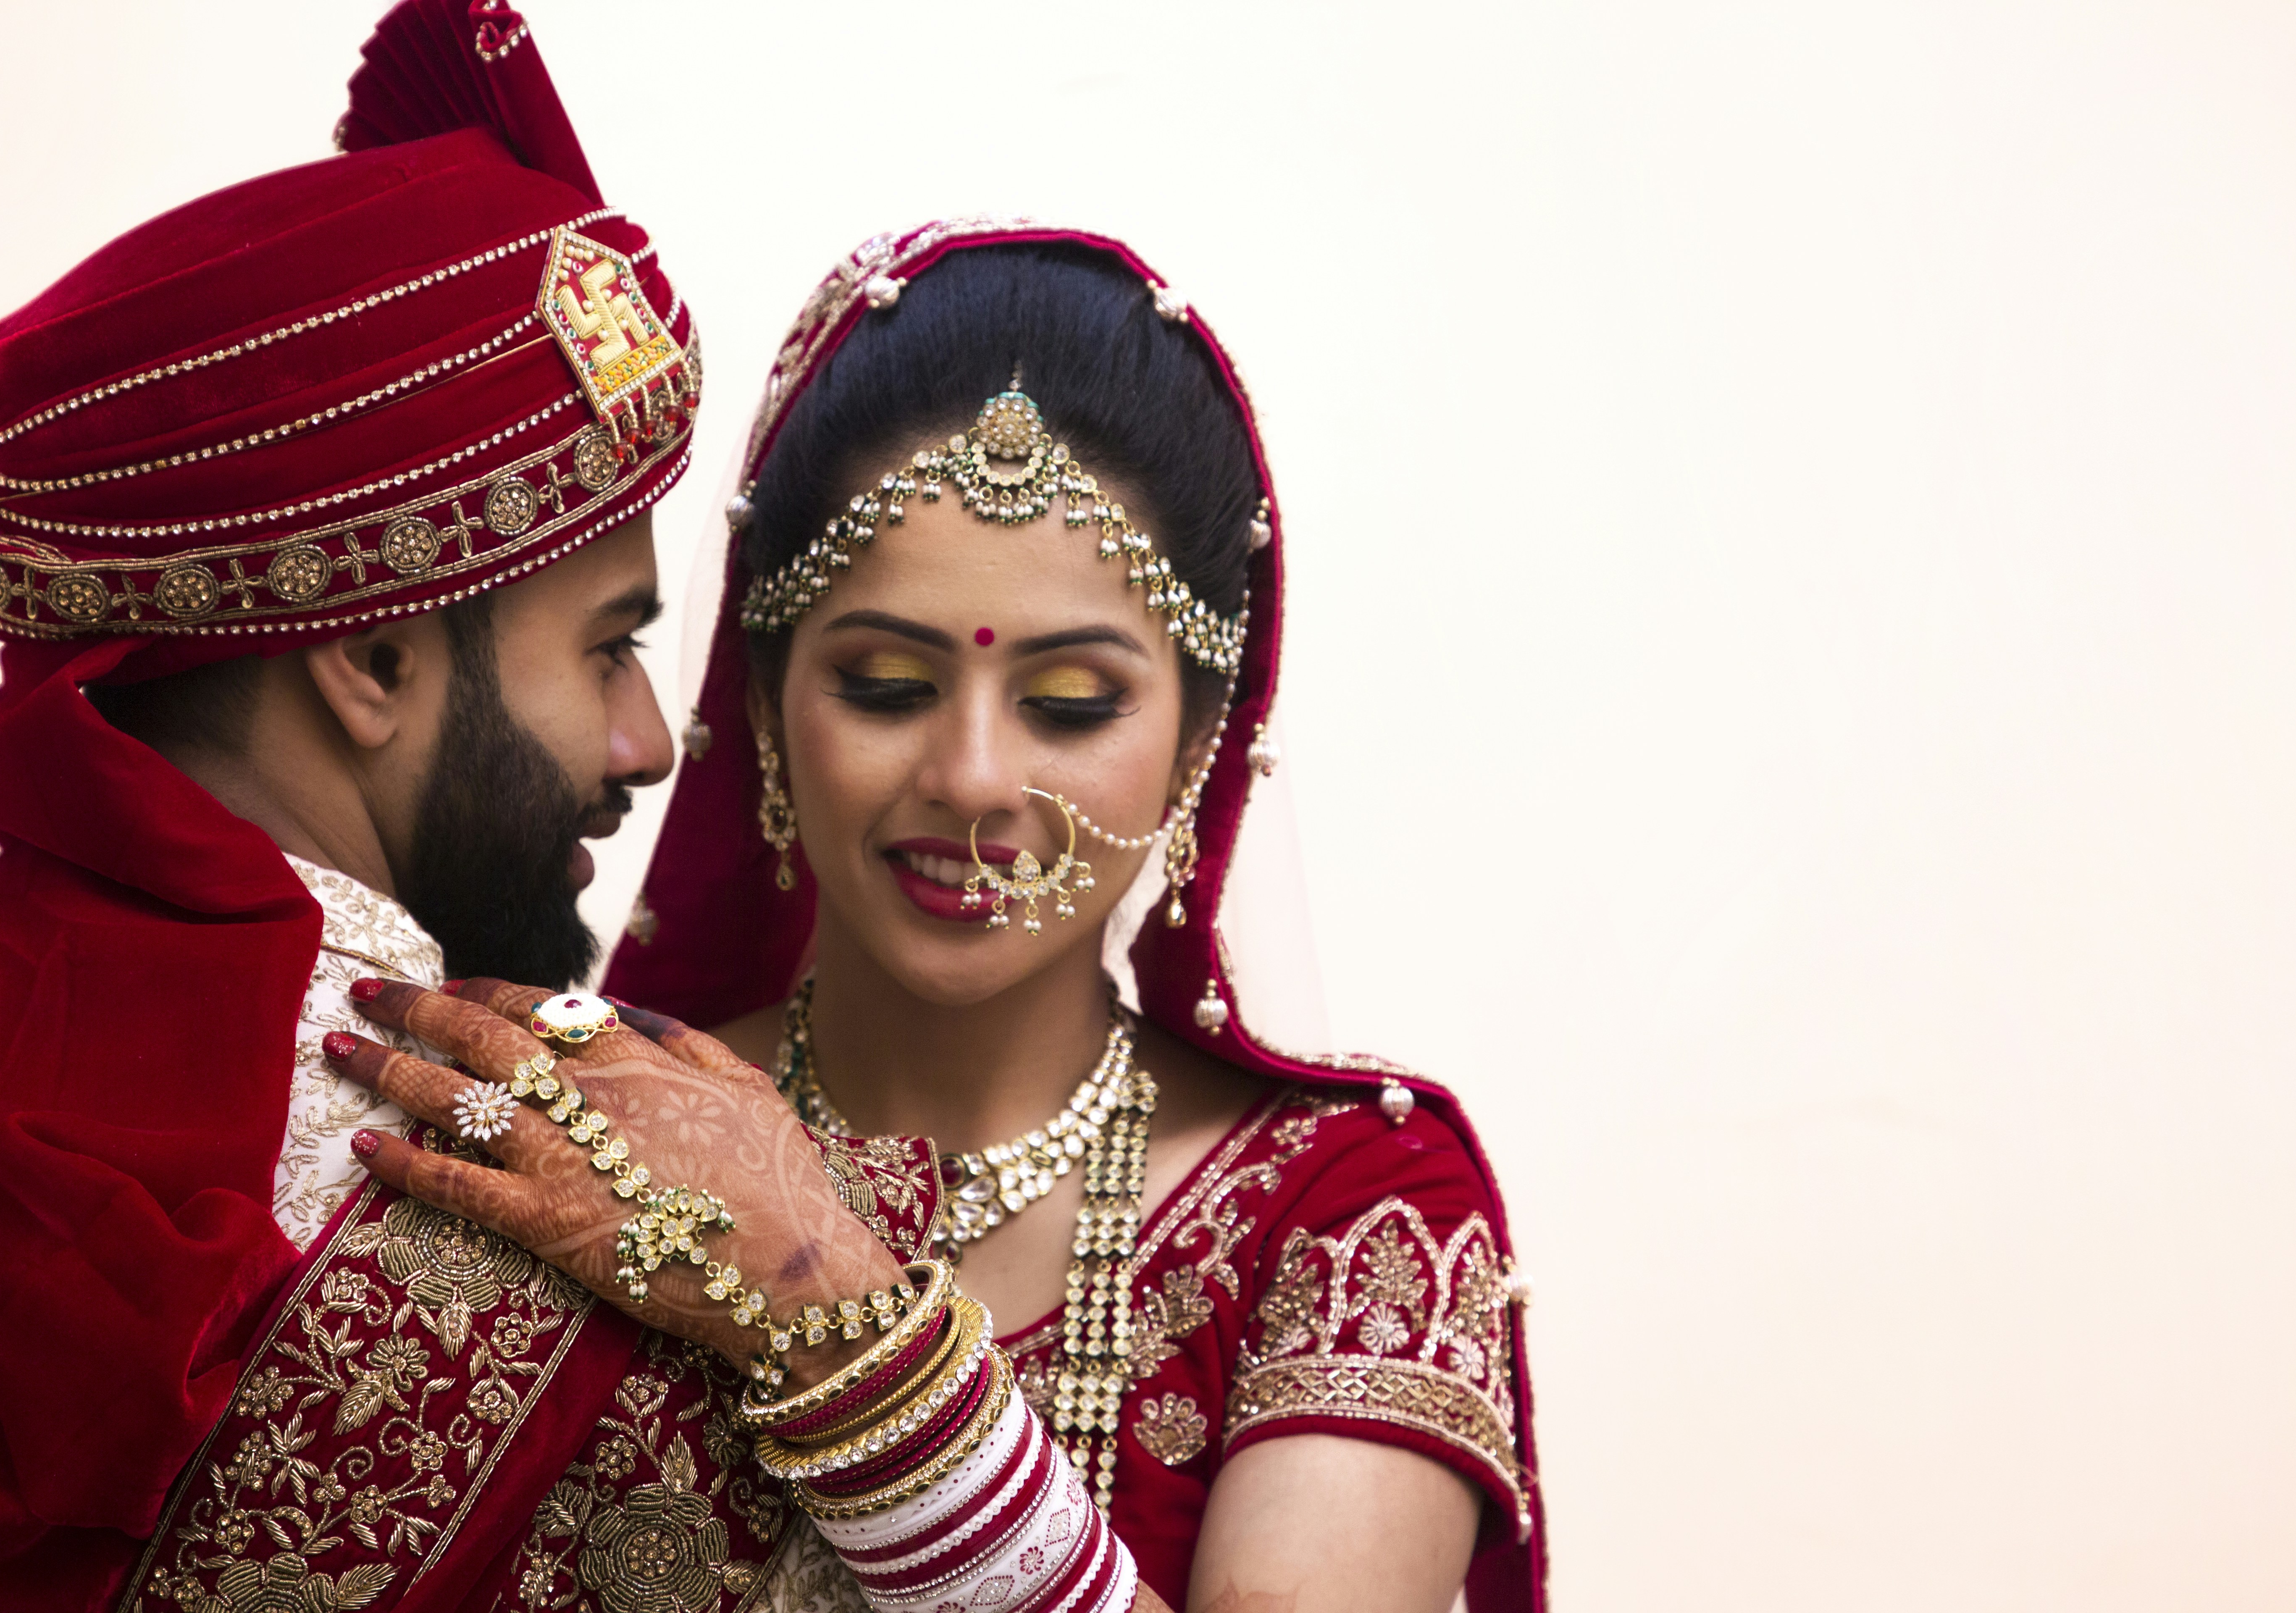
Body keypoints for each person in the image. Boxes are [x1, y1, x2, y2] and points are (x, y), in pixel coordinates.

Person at [0, 5, 935, 1608]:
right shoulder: (653, 1241)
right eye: (609, 644)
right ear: (367, 659)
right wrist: (867, 1342)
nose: (646, 739)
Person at [368, 229, 1549, 1608]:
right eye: (881, 683)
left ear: (1198, 744)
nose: (973, 781)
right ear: (759, 700)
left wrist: (844, 1342)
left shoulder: (1351, 1216)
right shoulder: (583, 1128)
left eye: (1069, 705)